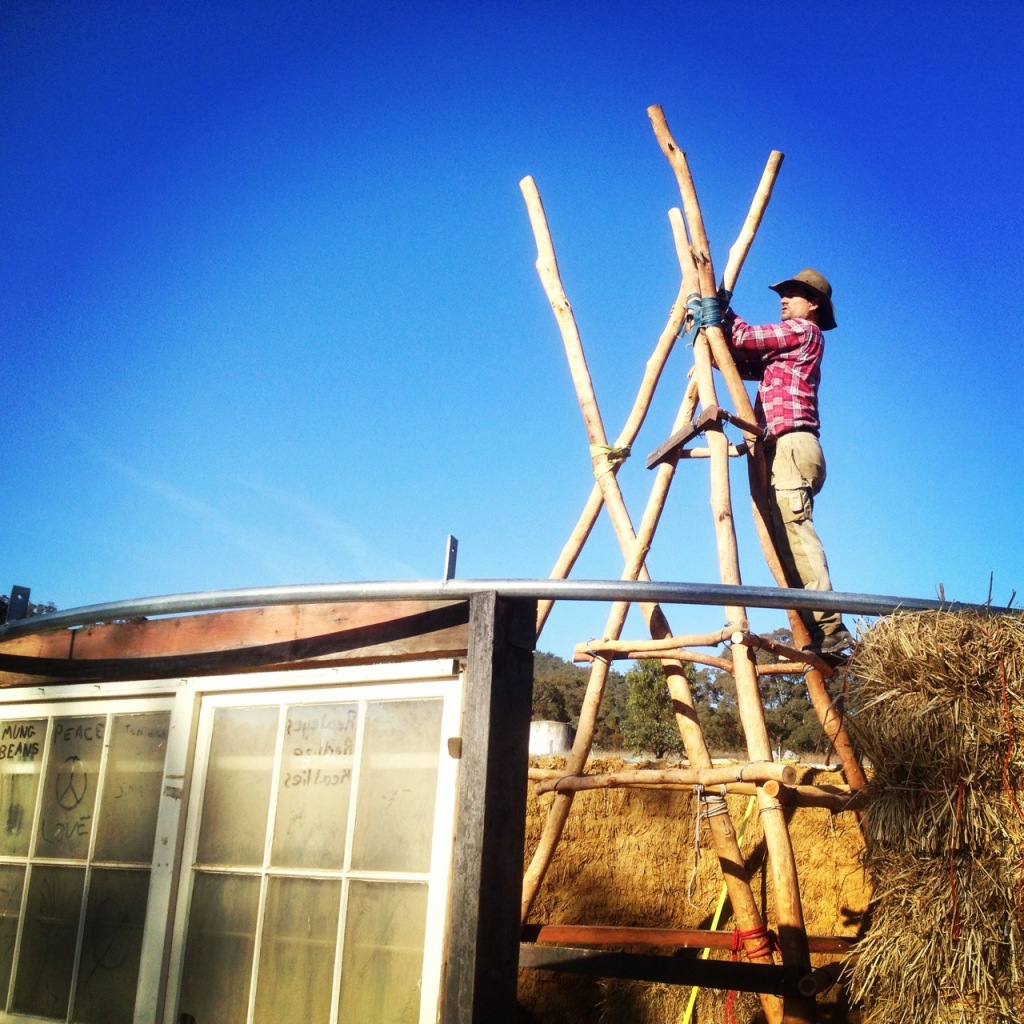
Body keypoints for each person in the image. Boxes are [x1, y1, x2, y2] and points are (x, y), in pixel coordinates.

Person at [722, 268, 855, 657]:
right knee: (784, 540)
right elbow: (740, 360)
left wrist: (721, 310)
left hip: (792, 443)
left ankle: (831, 627)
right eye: (783, 294)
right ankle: (817, 631)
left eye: (794, 294)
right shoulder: (785, 351)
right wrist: (710, 332)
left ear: (813, 305)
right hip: (783, 447)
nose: (784, 299)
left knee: (795, 532)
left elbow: (744, 337)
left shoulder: (805, 331)